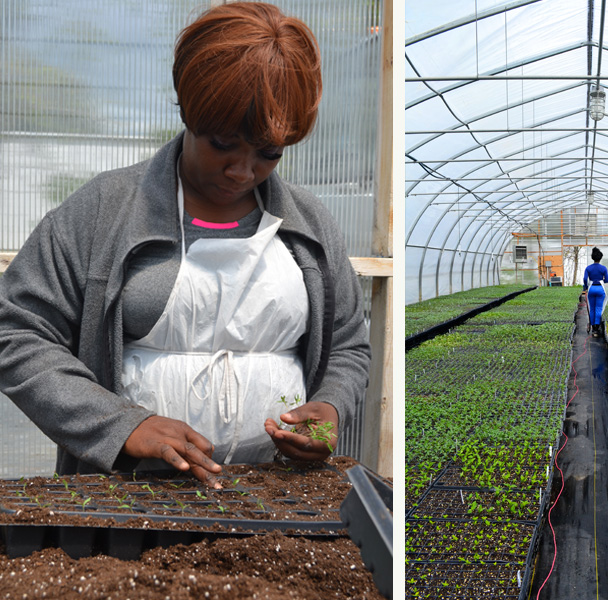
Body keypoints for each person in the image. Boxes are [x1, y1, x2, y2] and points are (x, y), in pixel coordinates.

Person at [0, 3, 371, 488]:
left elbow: (347, 344)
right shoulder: (104, 211)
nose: (242, 170)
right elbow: (16, 332)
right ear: (188, 107)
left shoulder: (309, 226)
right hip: (132, 501)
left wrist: (331, 408)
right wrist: (122, 425)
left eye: (268, 153)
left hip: (278, 501)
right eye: (222, 143)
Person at [583, 247, 608, 337]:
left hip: (591, 289)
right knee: (598, 308)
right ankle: (596, 330)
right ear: (600, 258)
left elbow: (585, 279)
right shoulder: (603, 268)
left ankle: (592, 327)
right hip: (600, 289)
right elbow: (607, 280)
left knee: (592, 308)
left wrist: (586, 287)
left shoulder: (588, 268)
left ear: (592, 258)